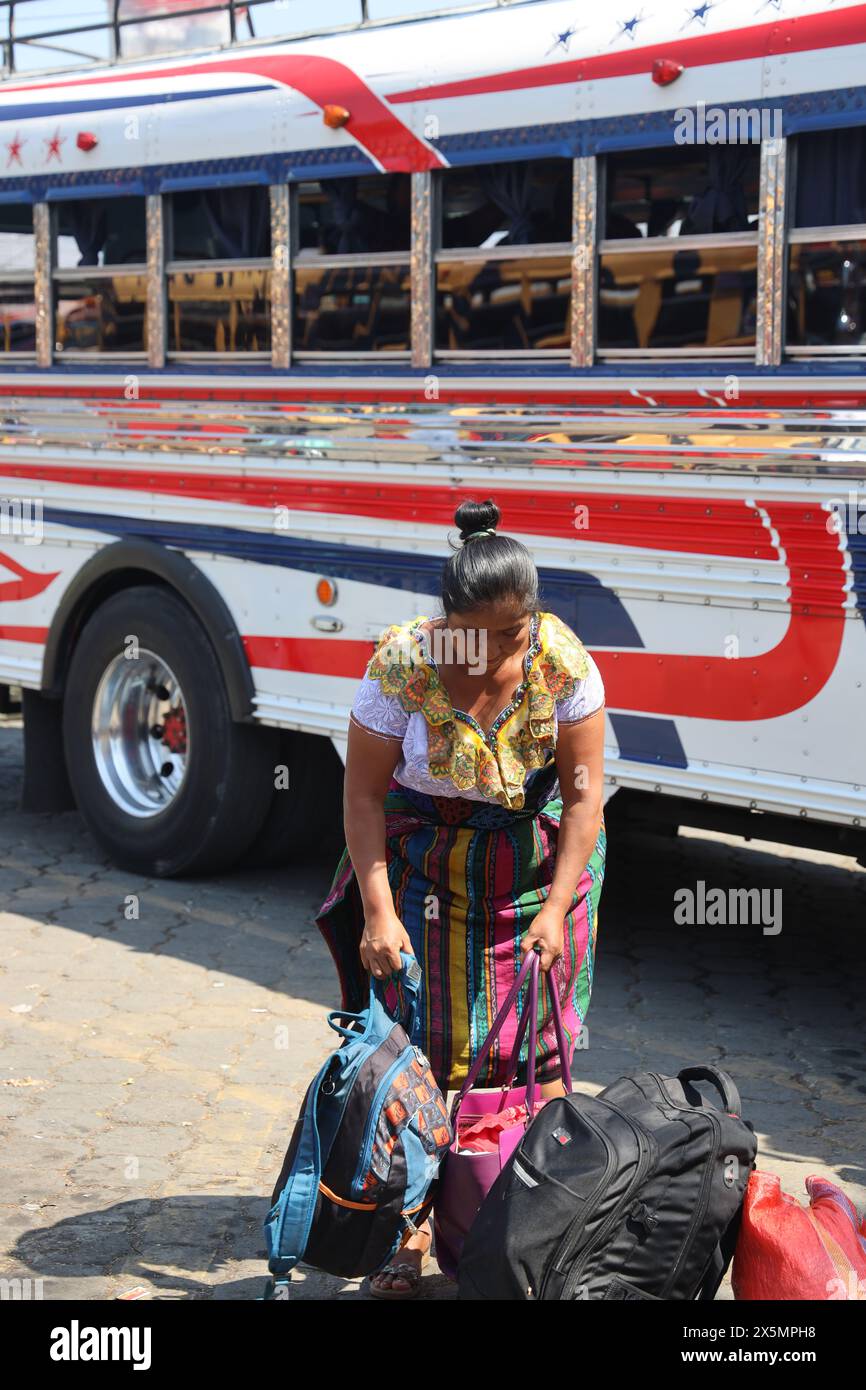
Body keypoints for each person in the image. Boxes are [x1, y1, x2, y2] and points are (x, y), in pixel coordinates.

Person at [315, 498, 606, 1298]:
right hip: (424, 864)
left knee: (537, 1050)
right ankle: (403, 1232)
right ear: (448, 623)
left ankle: (538, 1226)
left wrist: (554, 912)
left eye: (517, 634)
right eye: (484, 637)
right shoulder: (400, 668)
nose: (502, 654)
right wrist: (377, 911)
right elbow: (363, 800)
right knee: (419, 1051)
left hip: (537, 870)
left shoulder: (564, 664)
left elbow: (583, 801)